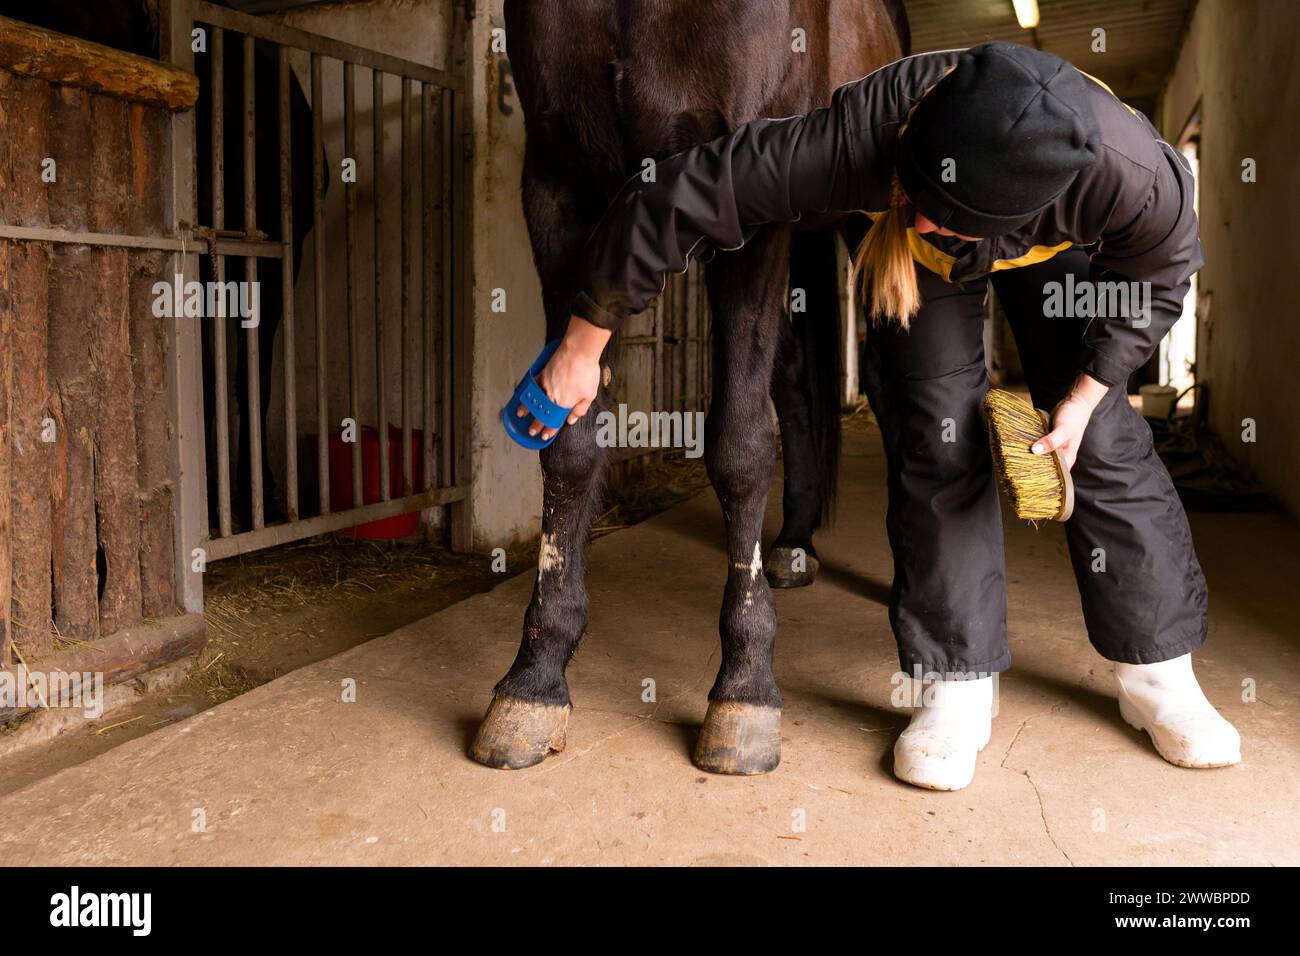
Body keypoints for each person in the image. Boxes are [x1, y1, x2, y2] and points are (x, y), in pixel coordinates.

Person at [514, 42, 1240, 790]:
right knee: (937, 429)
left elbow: (1158, 275)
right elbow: (678, 194)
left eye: (946, 217)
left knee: (1106, 439)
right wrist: (580, 343)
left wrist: (1086, 397)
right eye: (927, 202)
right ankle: (955, 686)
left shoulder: (1131, 174)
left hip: (1047, 245)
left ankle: (1159, 677)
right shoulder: (854, 139)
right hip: (911, 256)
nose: (930, 222)